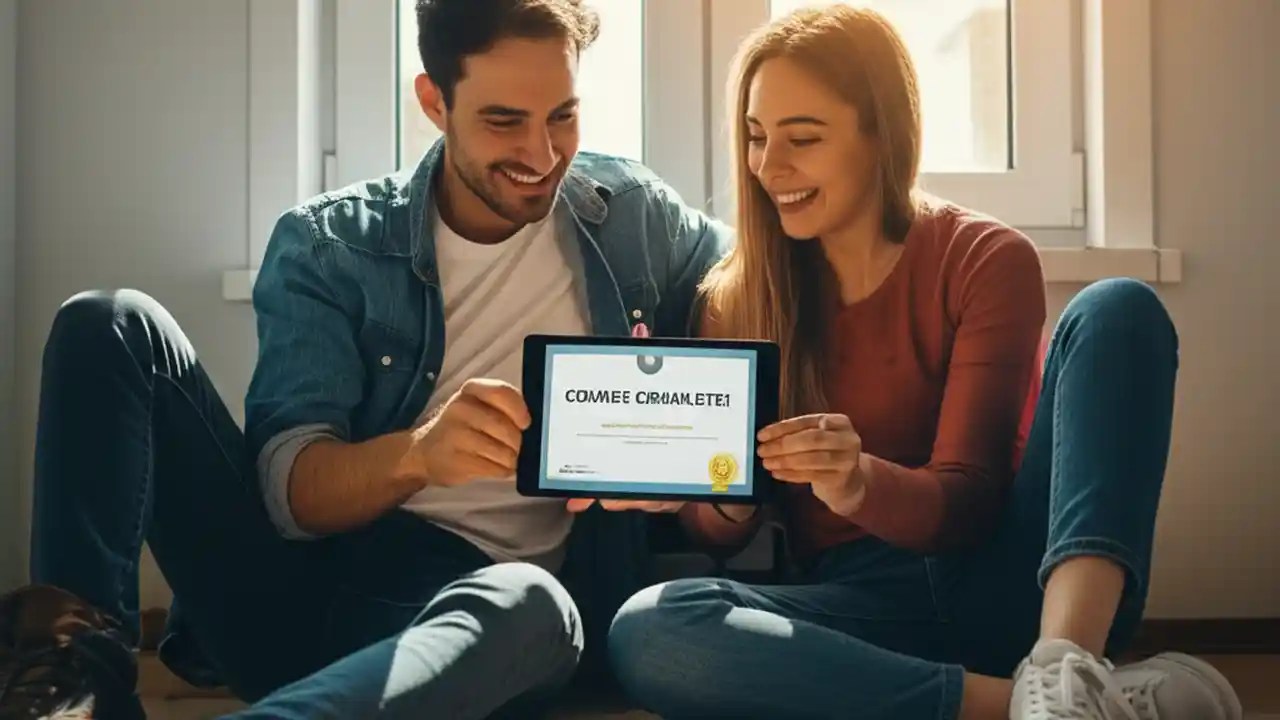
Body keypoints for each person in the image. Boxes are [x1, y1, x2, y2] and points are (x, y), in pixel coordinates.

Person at [0, 0, 728, 718]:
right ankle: (75, 690)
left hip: (481, 616)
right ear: (434, 102)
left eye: (562, 116)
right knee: (110, 322)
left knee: (532, 603)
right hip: (302, 596)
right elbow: (290, 498)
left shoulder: (632, 214)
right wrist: (418, 456)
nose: (541, 157)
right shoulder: (329, 247)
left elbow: (758, 274)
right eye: (504, 120)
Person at [597, 7, 1243, 720]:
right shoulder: (737, 298)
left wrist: (856, 481)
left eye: (803, 138)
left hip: (1015, 580)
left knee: (1118, 307)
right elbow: (725, 536)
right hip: (865, 610)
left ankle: (1067, 669)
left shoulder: (983, 259)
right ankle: (1051, 707)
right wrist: (715, 487)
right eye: (755, 137)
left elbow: (965, 507)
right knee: (653, 627)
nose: (768, 167)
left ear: (882, 135)